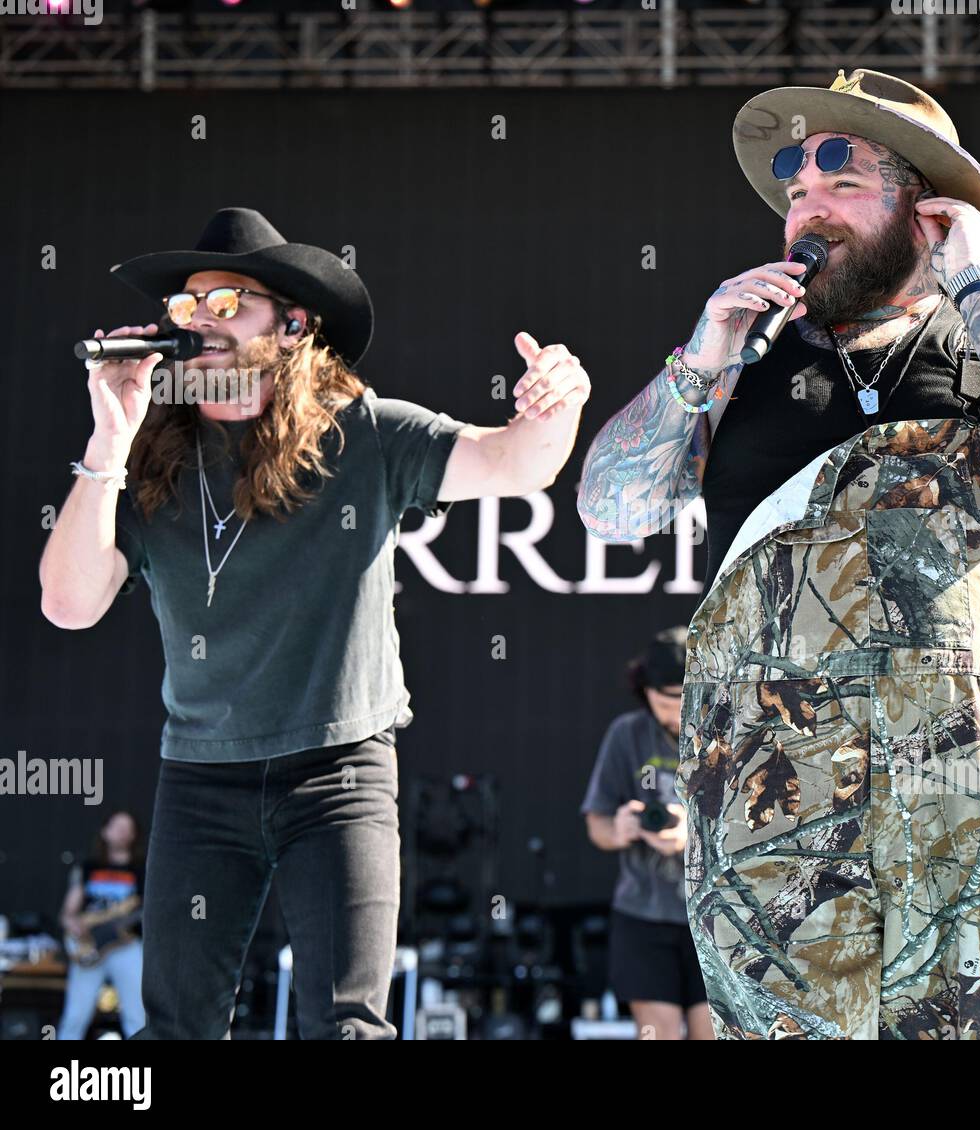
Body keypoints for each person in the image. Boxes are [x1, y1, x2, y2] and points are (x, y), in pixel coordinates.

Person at [578, 69, 980, 1039]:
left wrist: (977, 282)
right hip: (774, 797)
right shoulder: (741, 366)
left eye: (842, 182)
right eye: (795, 191)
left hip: (956, 792)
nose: (807, 209)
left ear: (927, 209)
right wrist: (699, 358)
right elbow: (611, 510)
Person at [38, 207, 591, 1039]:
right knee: (176, 1026)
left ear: (292, 325)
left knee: (345, 1025)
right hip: (200, 777)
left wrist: (559, 401)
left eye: (229, 303)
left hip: (337, 773)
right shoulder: (150, 460)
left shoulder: (361, 433)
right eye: (187, 306)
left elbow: (516, 462)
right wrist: (109, 440)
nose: (201, 321)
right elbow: (68, 604)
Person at [581, 628, 712, 1040]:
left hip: (714, 913)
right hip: (644, 913)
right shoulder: (627, 734)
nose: (675, 715)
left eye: (683, 702)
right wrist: (620, 829)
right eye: (665, 703)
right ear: (646, 691)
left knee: (714, 1031)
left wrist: (691, 834)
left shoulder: (727, 730)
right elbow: (597, 824)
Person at [57, 810, 147, 1039]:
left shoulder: (142, 869)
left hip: (126, 946)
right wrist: (74, 925)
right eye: (118, 827)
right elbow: (68, 913)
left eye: (128, 828)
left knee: (137, 1017)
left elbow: (146, 909)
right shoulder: (89, 867)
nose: (123, 833)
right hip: (89, 946)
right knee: (75, 1017)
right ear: (105, 831)